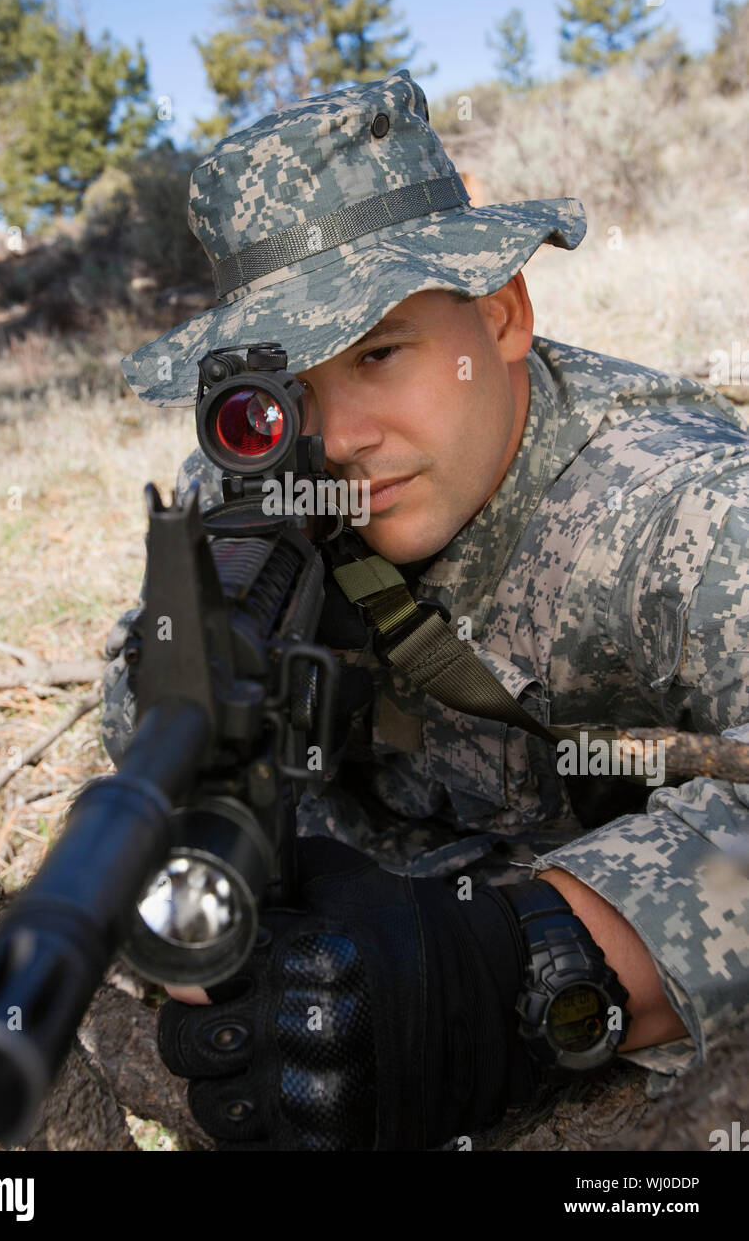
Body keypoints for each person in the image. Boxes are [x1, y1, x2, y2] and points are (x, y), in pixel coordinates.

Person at [101, 68, 749, 1151]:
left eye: (377, 353)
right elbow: (140, 714)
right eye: (287, 389)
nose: (337, 434)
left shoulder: (677, 505)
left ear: (498, 313)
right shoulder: (252, 487)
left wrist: (515, 968)